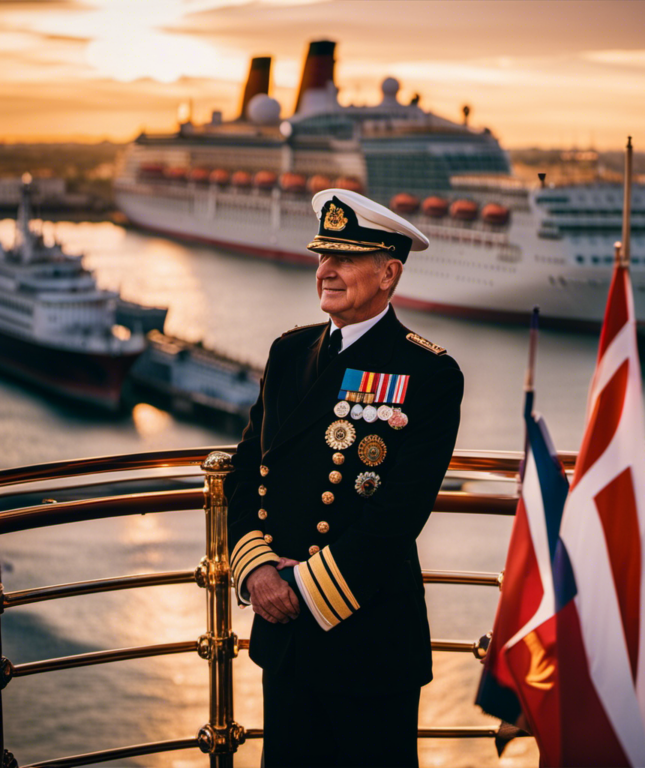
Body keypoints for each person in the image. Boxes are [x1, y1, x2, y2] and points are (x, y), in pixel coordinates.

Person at [224, 189, 464, 767]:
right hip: (283, 634)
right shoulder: (289, 352)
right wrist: (255, 568)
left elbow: (398, 515)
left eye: (346, 259)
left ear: (388, 273)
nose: (326, 270)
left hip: (366, 638)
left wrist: (299, 590)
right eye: (322, 256)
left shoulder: (428, 372)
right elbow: (245, 470)